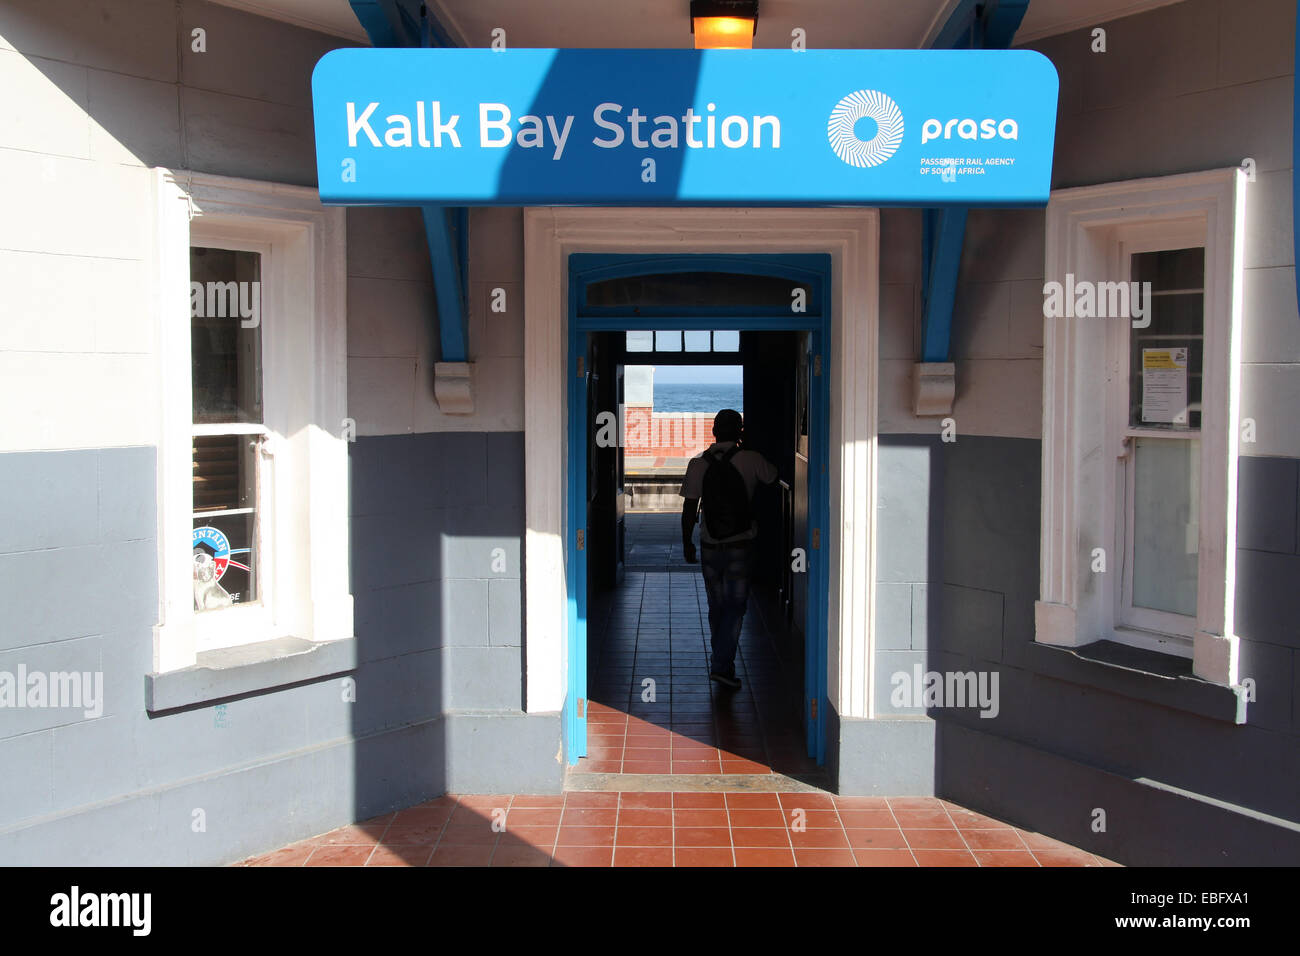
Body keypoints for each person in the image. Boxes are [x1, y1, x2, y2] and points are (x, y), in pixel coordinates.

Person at [679, 409, 778, 690]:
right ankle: (722, 665)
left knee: (717, 606)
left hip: (710, 545)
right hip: (740, 544)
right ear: (740, 431)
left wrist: (687, 542)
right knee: (736, 607)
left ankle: (721, 663)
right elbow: (772, 477)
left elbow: (689, 508)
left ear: (713, 431)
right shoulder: (751, 459)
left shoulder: (698, 463)